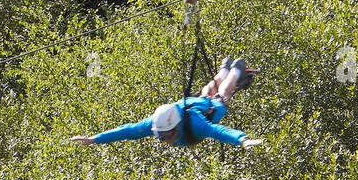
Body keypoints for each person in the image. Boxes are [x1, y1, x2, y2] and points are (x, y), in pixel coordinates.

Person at [69, 57, 265, 150]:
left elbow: (219, 132)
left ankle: (234, 71)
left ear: (175, 127)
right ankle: (223, 71)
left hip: (206, 110)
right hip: (191, 103)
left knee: (220, 95)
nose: (162, 140)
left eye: (164, 136)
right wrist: (95, 138)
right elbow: (127, 131)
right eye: (160, 136)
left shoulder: (195, 123)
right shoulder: (155, 125)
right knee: (205, 93)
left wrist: (242, 139)